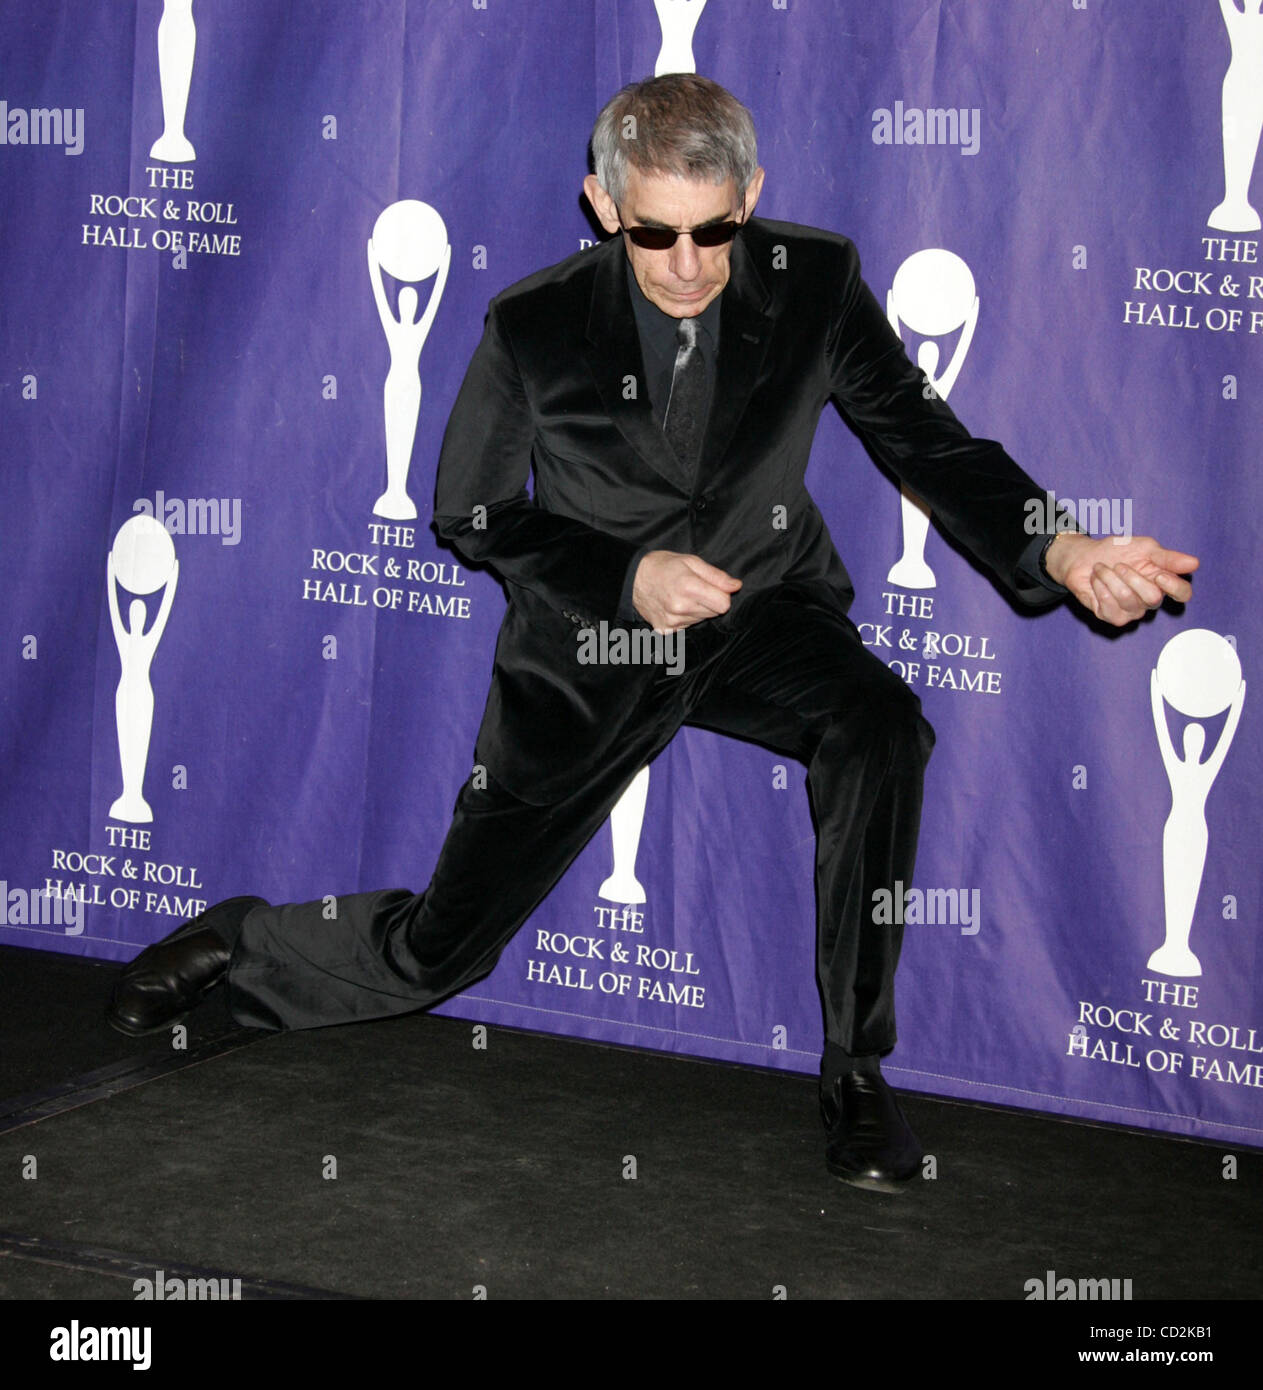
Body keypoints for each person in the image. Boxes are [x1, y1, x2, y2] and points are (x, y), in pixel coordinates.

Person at [108, 74, 1198, 1192]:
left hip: (758, 611)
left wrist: (1060, 548)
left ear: (752, 195)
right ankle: (243, 940)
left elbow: (930, 443)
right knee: (437, 953)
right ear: (602, 203)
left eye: (717, 229)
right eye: (656, 234)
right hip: (589, 649)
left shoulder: (813, 281)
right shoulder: (533, 324)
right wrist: (627, 576)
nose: (689, 264)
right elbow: (471, 513)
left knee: (881, 725)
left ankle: (856, 1071)